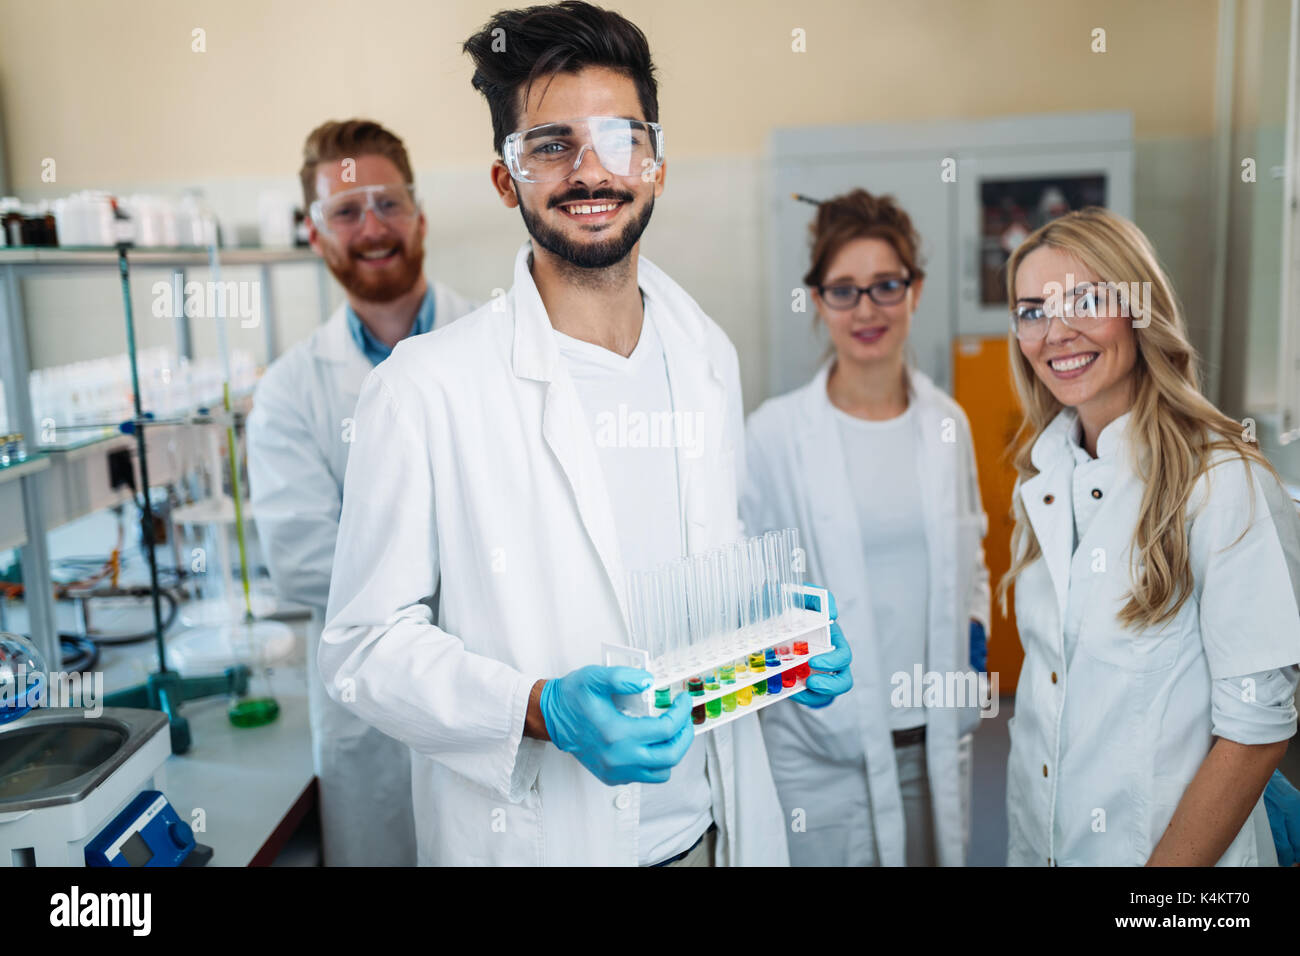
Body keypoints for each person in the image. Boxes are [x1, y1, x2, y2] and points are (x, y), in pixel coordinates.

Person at [318, 0, 852, 867]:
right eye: (551, 144)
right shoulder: (423, 390)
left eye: (619, 137)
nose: (591, 170)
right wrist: (539, 707)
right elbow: (363, 647)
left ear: (657, 163)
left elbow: (703, 559)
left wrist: (780, 635)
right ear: (507, 180)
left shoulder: (705, 355)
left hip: (714, 836)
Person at [1000, 206, 1300, 865]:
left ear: (1140, 308)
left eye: (1085, 299)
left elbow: (1256, 731)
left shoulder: (1223, 484)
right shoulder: (1044, 476)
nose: (1057, 332)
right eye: (1031, 310)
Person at [246, 119, 477, 866]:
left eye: (387, 203)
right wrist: (475, 562)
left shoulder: (503, 346)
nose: (372, 227)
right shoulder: (289, 391)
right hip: (369, 726)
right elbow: (304, 562)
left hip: (495, 694)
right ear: (315, 235)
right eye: (345, 211)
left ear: (420, 216)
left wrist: (395, 564)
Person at [742, 189, 990, 866]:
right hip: (820, 752)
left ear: (916, 290)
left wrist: (973, 643)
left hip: (935, 737)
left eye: (885, 285)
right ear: (817, 302)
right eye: (843, 290)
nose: (867, 309)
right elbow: (750, 594)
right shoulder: (773, 434)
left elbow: (975, 557)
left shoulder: (948, 424)